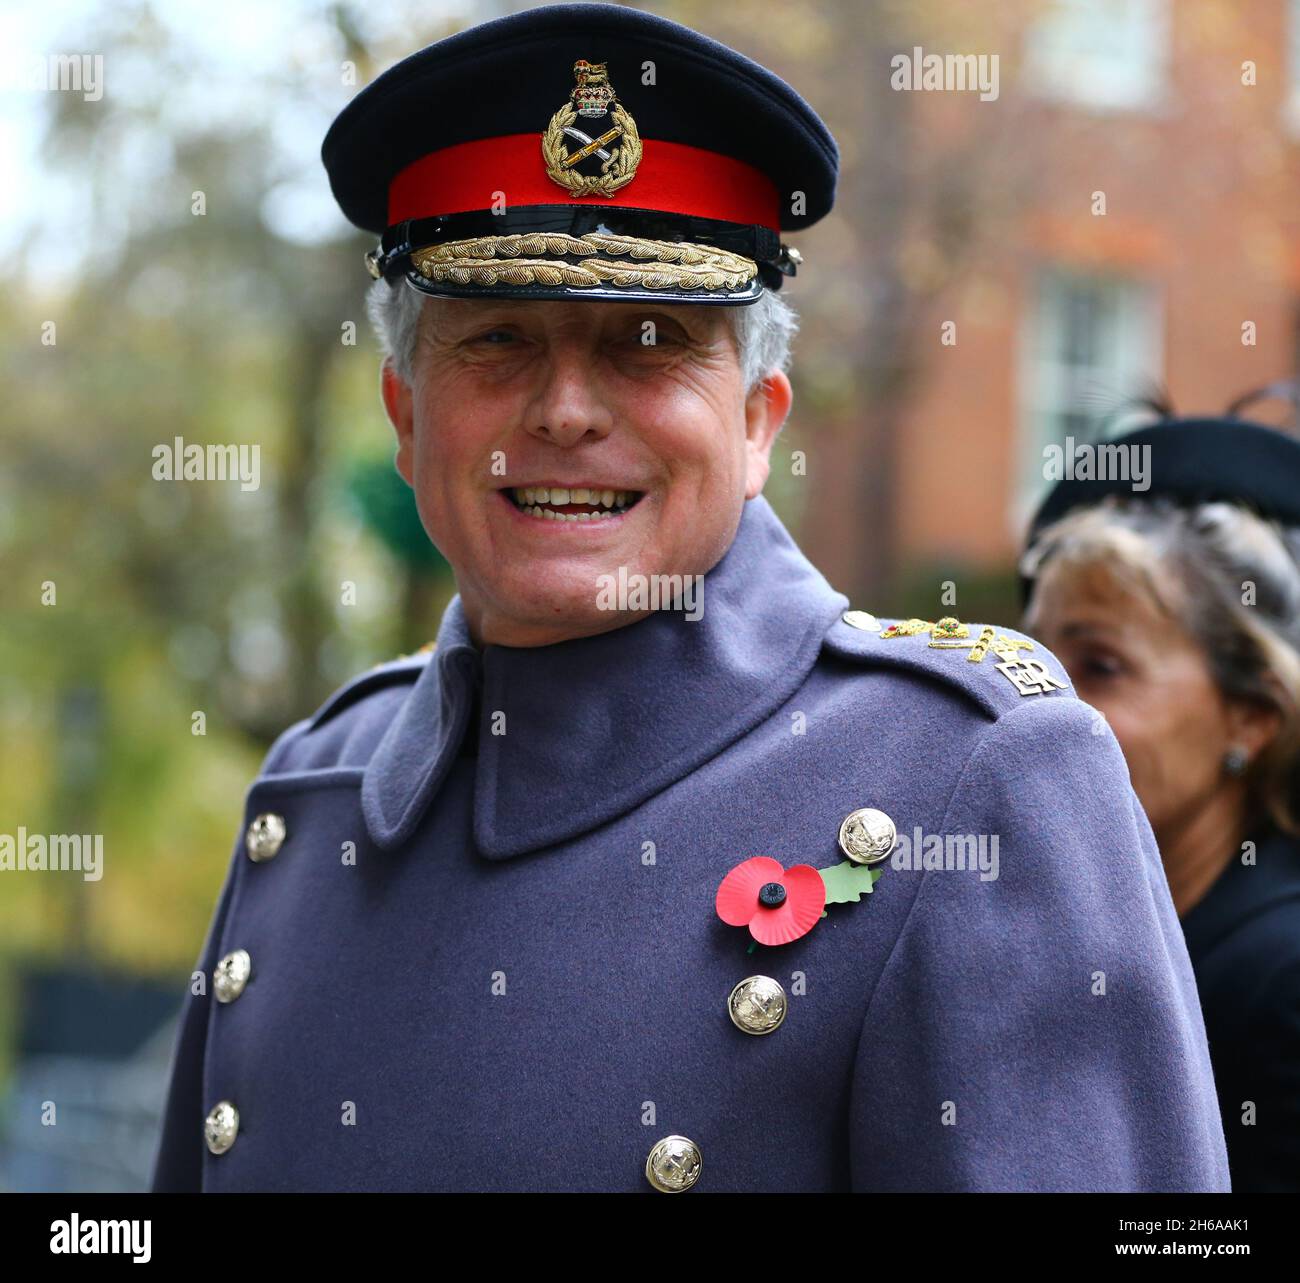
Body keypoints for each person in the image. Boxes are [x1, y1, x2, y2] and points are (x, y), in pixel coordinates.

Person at [150, 3, 1228, 1193]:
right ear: (406, 416)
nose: (565, 411)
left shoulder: (973, 778)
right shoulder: (315, 789)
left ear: (758, 419)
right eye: (498, 339)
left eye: (650, 339)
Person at [1021, 403, 1300, 1191]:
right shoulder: (1059, 924)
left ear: (1251, 716)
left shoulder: (1280, 980)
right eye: (1032, 657)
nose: (1041, 703)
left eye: (1101, 666)